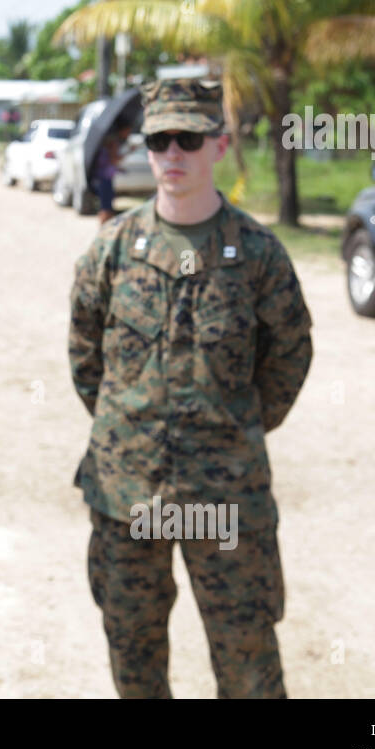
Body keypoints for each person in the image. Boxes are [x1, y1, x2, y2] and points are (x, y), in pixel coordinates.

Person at [68, 78, 312, 698]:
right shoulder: (113, 251)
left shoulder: (258, 254)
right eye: (159, 140)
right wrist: (132, 428)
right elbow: (86, 360)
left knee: (248, 662)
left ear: (218, 146)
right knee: (134, 655)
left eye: (189, 139)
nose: (173, 153)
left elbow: (288, 360)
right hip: (129, 496)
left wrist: (234, 426)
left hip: (226, 495)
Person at [89, 125, 132, 223]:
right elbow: (113, 160)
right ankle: (106, 229)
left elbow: (107, 162)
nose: (129, 134)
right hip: (105, 179)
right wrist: (130, 151)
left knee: (105, 205)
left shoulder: (107, 142)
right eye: (128, 131)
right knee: (107, 207)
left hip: (101, 178)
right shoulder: (114, 142)